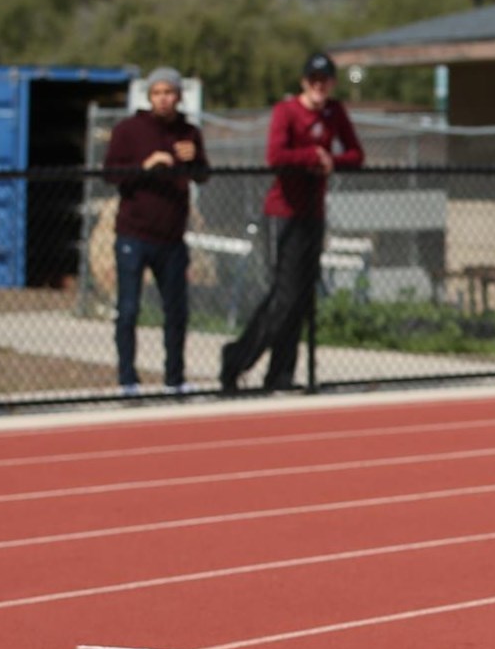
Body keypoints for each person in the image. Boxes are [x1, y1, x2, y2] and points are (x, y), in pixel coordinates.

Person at [220, 52, 364, 393]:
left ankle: (281, 373)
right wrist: (312, 157)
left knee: (301, 298)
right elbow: (277, 155)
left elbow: (355, 154)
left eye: (325, 80)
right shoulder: (286, 111)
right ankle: (236, 359)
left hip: (314, 213)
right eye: (313, 80)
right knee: (284, 295)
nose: (319, 86)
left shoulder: (334, 112)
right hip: (282, 213)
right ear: (303, 82)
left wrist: (334, 162)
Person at [103, 67, 210, 393]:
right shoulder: (128, 130)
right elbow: (110, 174)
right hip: (134, 234)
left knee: (176, 311)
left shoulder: (189, 132)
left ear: (179, 96)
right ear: (149, 97)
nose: (164, 99)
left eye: (170, 92)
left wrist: (193, 163)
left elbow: (203, 175)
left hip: (172, 237)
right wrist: (145, 167)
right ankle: (127, 379)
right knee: (129, 309)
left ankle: (174, 379)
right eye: (157, 93)